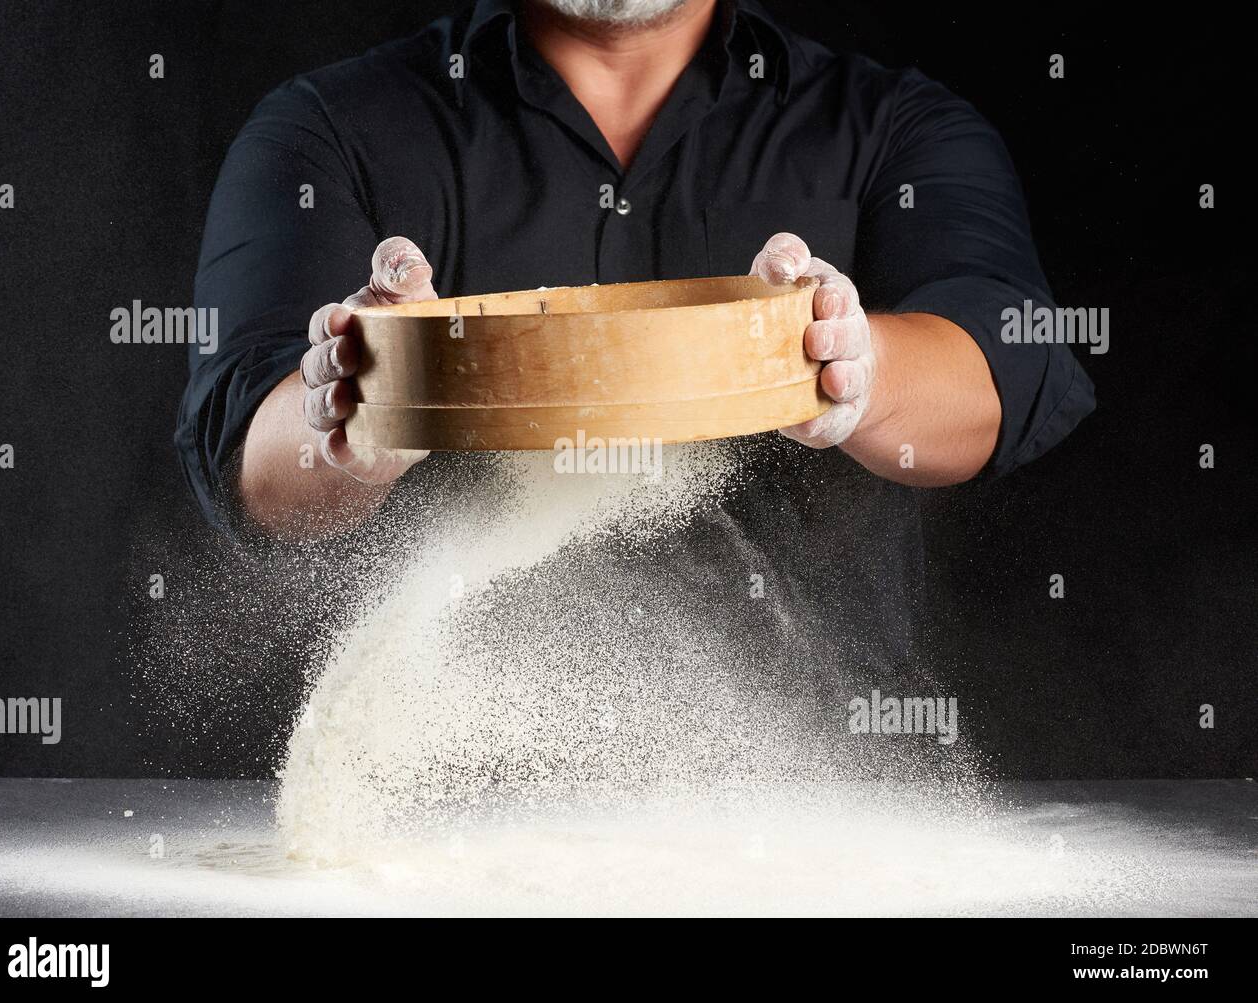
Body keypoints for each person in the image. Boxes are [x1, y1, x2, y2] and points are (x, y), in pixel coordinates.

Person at [178, 0, 1093, 676]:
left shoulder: (895, 128)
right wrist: (362, 417)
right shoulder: (326, 130)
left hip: (823, 826)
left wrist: (853, 365)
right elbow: (251, 455)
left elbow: (1003, 366)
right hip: (422, 830)